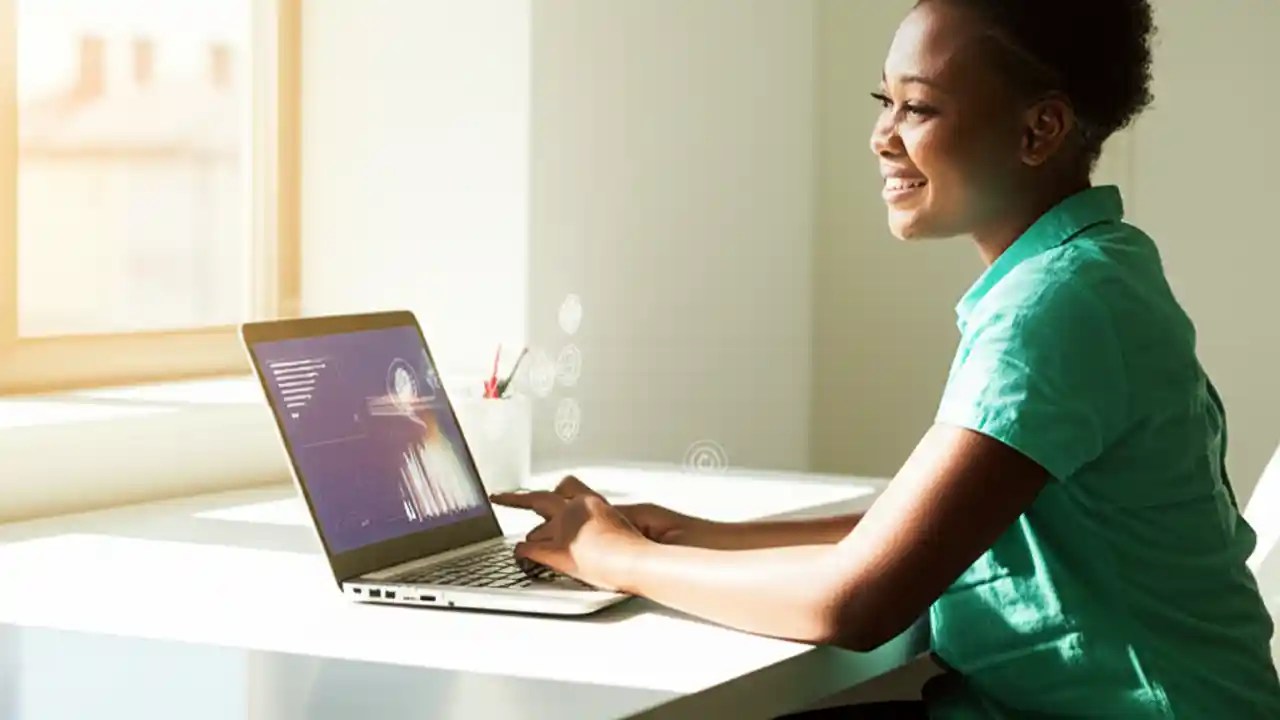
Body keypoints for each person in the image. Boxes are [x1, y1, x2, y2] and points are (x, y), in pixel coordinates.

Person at [493, 1, 1280, 717]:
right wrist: (693, 535)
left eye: (918, 107)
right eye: (884, 101)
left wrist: (618, 558)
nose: (881, 135)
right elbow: (918, 530)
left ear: (1039, 131)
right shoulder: (1090, 271)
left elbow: (855, 602)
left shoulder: (1056, 306)